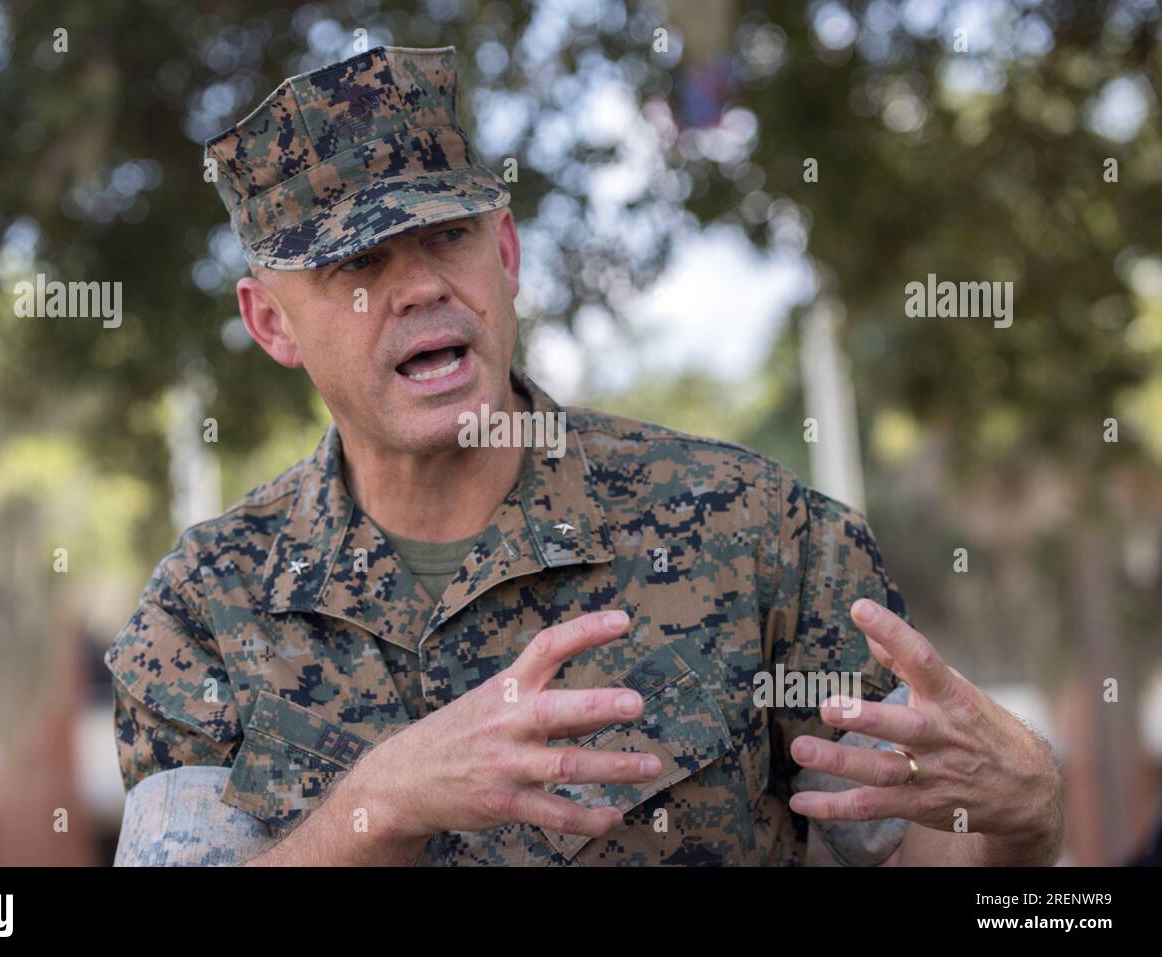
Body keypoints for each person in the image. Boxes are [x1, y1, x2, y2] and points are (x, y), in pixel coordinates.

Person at [106, 45, 1063, 866]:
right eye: (359, 266)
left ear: (508, 256)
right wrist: (384, 801)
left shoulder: (758, 532)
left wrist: (1029, 820)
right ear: (270, 321)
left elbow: (942, 854)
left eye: (448, 237)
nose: (423, 288)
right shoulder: (204, 608)